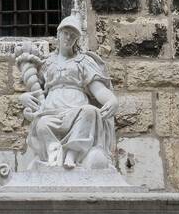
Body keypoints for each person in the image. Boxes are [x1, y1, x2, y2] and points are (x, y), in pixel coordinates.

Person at [14, 16, 118, 171]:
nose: (68, 37)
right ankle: (54, 151)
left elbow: (98, 89)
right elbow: (37, 90)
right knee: (42, 125)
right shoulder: (47, 63)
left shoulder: (83, 61)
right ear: (59, 34)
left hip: (76, 106)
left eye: (73, 35)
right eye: (66, 33)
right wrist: (23, 97)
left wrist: (111, 100)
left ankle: (72, 153)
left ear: (77, 39)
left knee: (90, 112)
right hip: (51, 108)